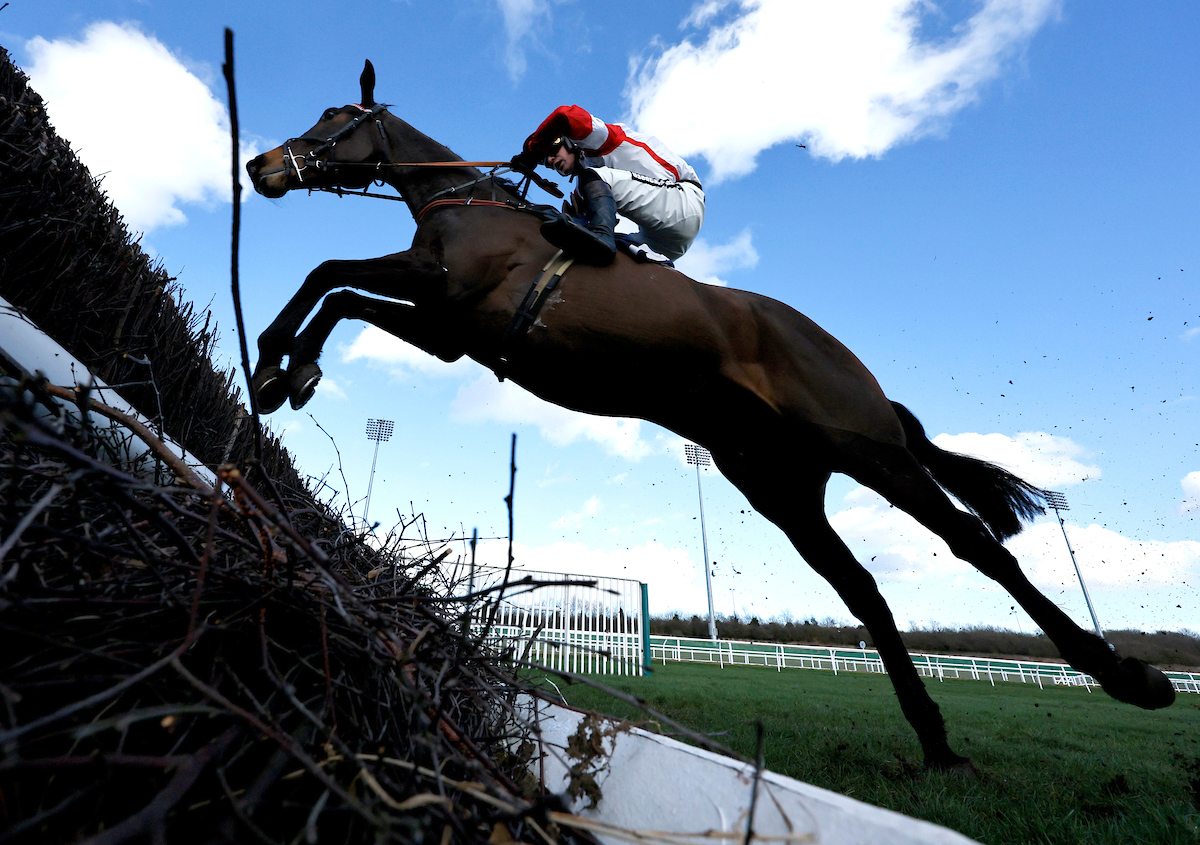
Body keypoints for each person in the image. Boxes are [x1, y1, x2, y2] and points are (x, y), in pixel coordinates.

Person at [512, 105, 705, 266]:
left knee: (593, 179)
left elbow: (564, 115)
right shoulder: (588, 187)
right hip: (663, 244)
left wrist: (532, 152)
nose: (551, 160)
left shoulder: (601, 139)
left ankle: (604, 239)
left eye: (552, 150)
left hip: (683, 200)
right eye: (545, 161)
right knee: (581, 232)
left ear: (570, 142)